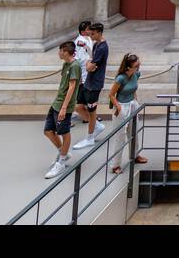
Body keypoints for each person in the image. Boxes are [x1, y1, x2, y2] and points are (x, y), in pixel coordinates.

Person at [44, 40, 82, 179]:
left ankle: (61, 162)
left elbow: (72, 87)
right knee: (48, 131)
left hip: (64, 106)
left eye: (60, 51)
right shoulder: (65, 64)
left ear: (66, 52)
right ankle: (63, 153)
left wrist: (64, 108)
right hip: (57, 103)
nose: (58, 53)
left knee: (64, 133)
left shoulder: (75, 66)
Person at [108, 53, 147, 175]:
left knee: (134, 132)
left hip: (132, 104)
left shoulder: (136, 74)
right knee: (120, 136)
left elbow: (134, 88)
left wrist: (135, 101)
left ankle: (135, 155)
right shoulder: (120, 78)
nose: (138, 67)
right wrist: (118, 106)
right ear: (128, 67)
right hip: (122, 107)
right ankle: (115, 165)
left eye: (138, 64)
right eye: (136, 65)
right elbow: (111, 94)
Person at [73, 20, 108, 150]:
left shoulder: (102, 47)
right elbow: (89, 62)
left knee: (92, 112)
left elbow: (90, 66)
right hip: (88, 81)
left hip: (95, 83)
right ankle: (97, 126)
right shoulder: (96, 44)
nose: (90, 36)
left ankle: (90, 137)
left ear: (99, 33)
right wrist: (89, 63)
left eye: (92, 34)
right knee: (78, 107)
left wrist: (89, 64)